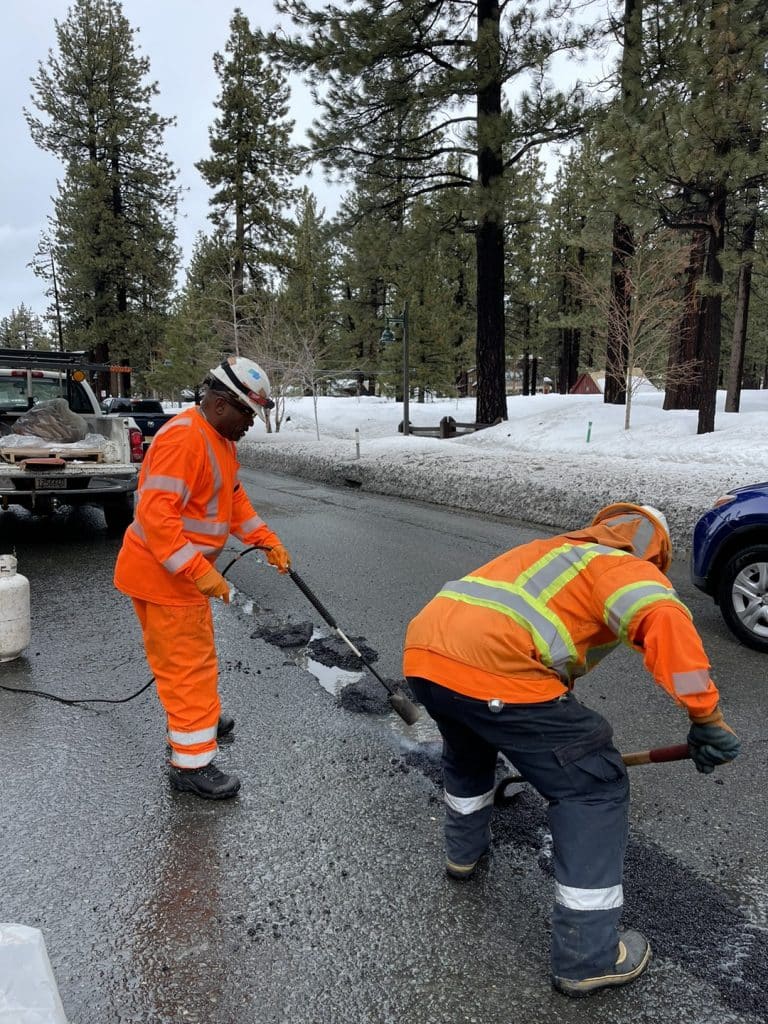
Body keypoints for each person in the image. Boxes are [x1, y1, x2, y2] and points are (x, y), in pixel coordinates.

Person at [403, 503, 740, 998]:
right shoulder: (622, 565)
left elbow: (536, 638)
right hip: (497, 673)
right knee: (594, 786)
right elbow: (666, 623)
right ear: (656, 554)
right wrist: (705, 716)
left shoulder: (553, 553)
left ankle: (463, 855)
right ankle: (588, 958)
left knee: (469, 752)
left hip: (426, 658)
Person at [114, 357, 292, 800]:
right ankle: (191, 764)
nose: (250, 424)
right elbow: (157, 517)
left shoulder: (219, 440)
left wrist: (265, 540)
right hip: (163, 577)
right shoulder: (183, 440)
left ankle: (201, 719)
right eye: (248, 414)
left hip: (179, 577)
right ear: (219, 404)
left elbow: (233, 500)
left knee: (196, 657)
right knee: (187, 669)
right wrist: (199, 570)